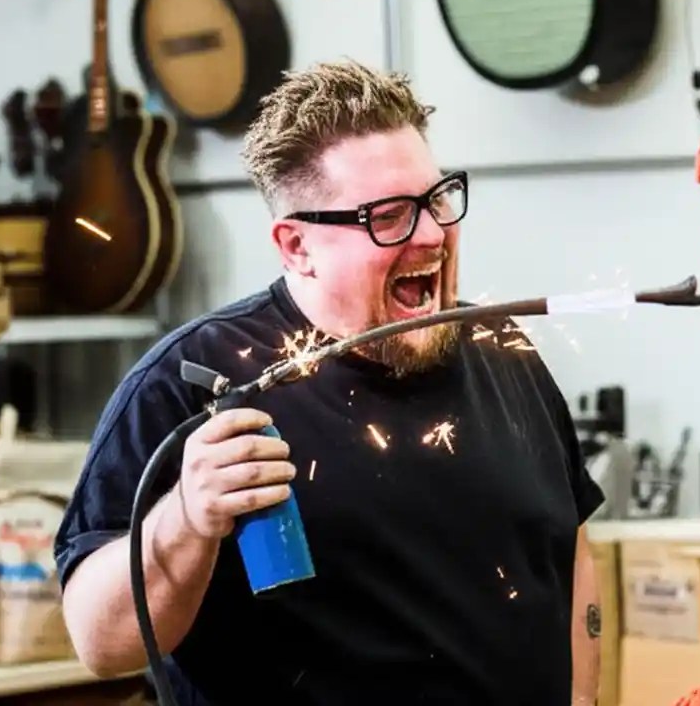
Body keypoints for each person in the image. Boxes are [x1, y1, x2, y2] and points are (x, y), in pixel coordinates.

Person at [53, 59, 606, 705]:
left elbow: (570, 555)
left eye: (437, 199)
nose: (431, 234)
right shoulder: (191, 384)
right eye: (389, 215)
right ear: (296, 247)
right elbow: (101, 644)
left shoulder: (504, 351)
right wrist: (187, 516)